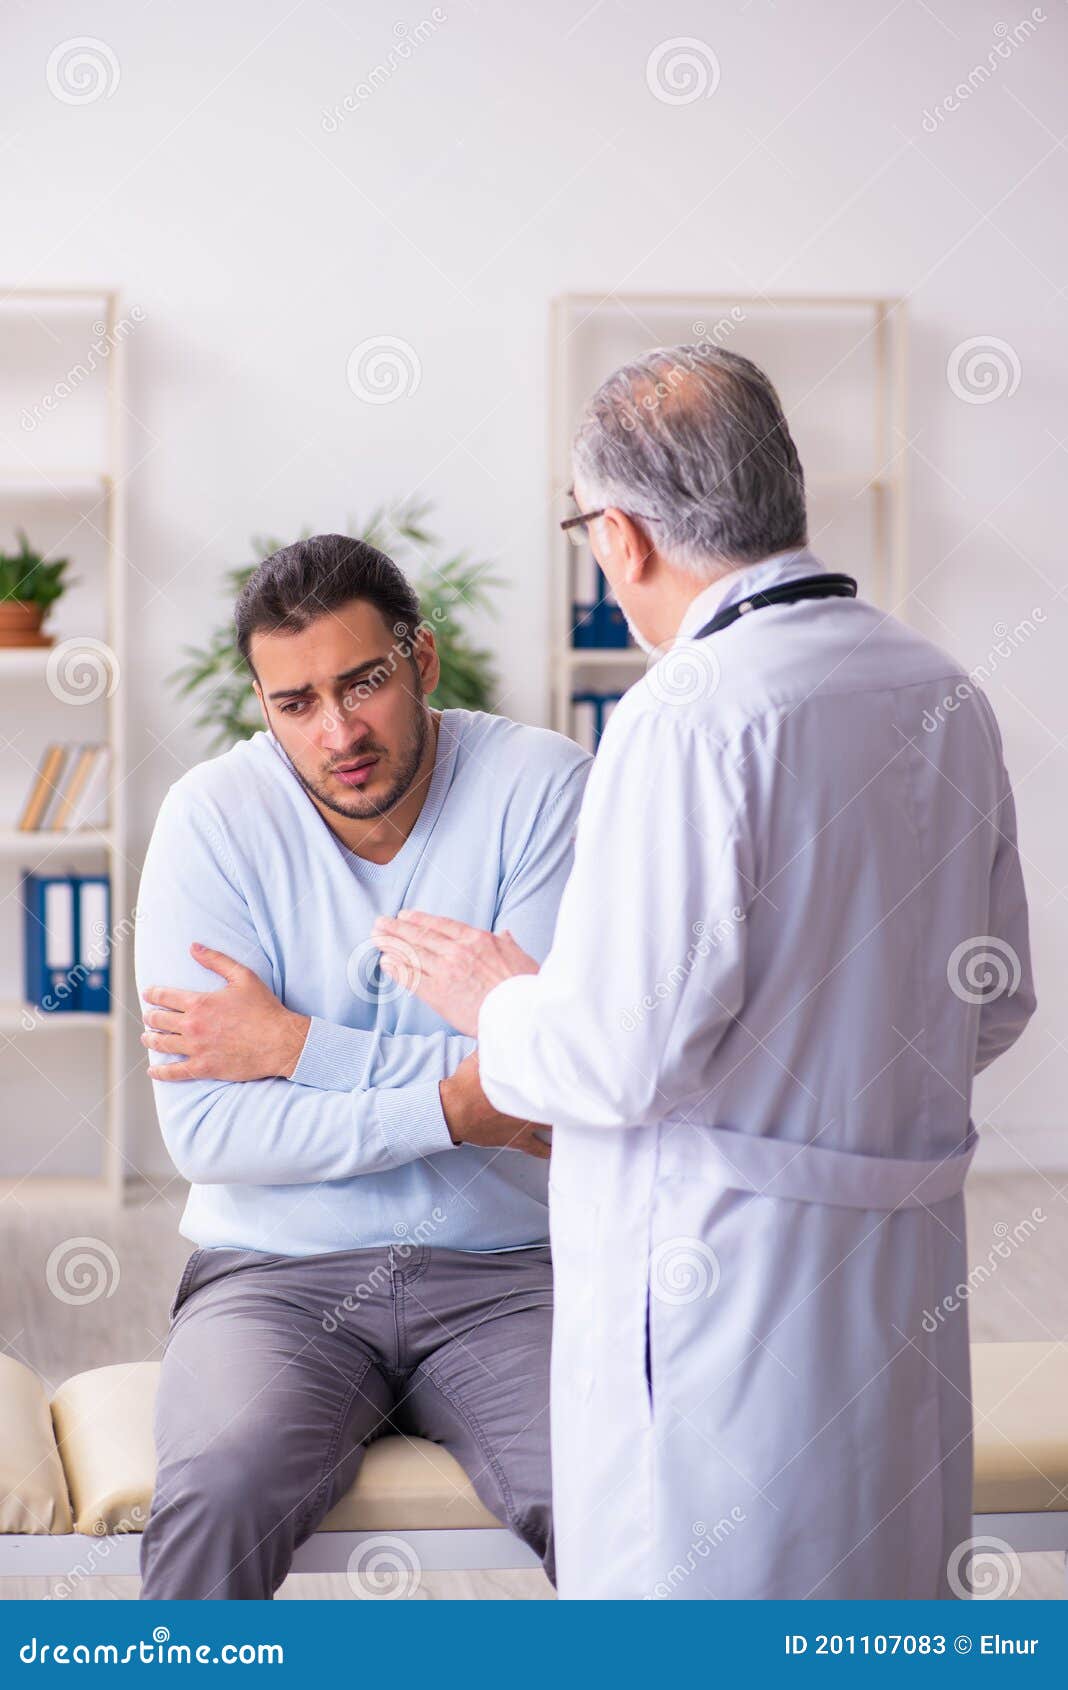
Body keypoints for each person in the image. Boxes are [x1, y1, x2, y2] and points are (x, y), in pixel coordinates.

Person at [374, 345, 1036, 1600]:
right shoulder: (939, 684)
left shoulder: (690, 711)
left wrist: (497, 997)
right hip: (899, 1278)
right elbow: (991, 999)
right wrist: (835, 1088)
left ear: (617, 535)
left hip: (722, 1289)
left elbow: (624, 1055)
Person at [134, 534, 590, 1597]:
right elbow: (209, 1133)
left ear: (421, 661)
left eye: (364, 683)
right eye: (295, 703)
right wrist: (453, 1102)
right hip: (274, 1277)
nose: (337, 732)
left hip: (508, 1266)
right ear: (261, 706)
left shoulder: (543, 789)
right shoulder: (213, 818)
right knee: (219, 1487)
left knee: (613, 1488)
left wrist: (296, 1046)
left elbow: (540, 1082)